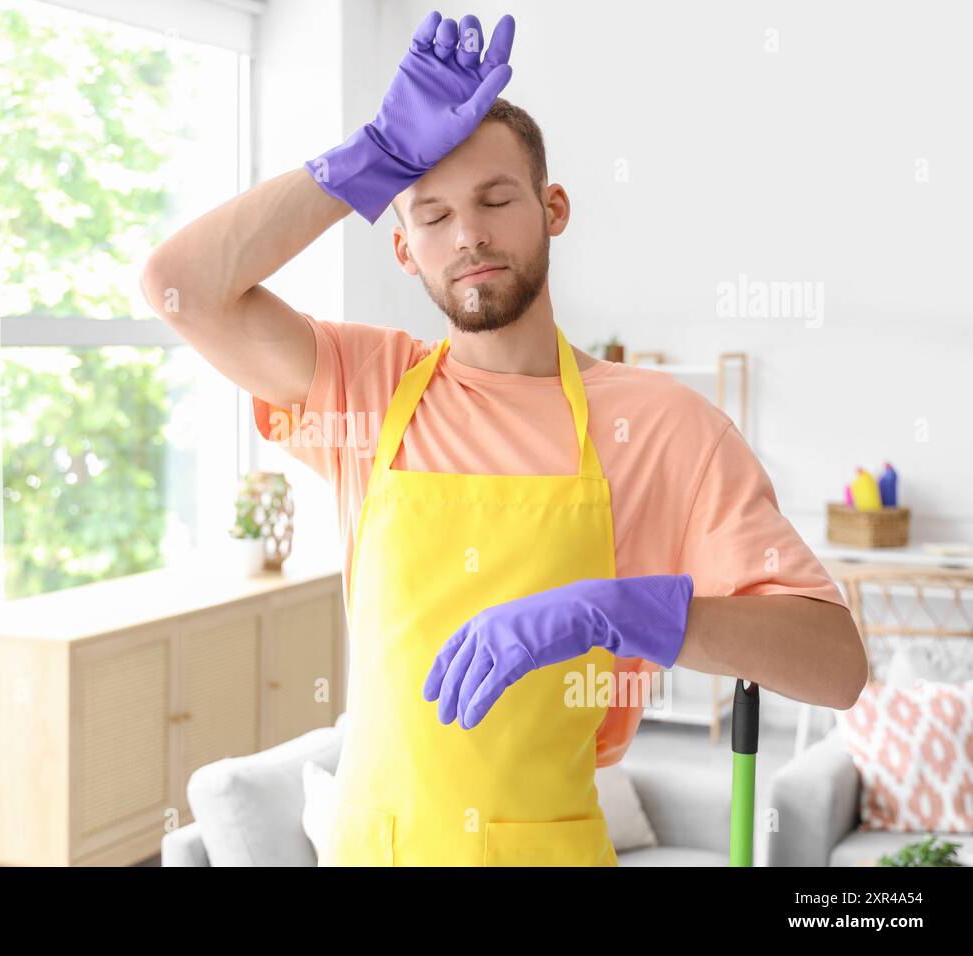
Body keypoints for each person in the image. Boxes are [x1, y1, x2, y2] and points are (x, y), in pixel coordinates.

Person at [140, 10, 866, 867]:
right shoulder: (365, 389)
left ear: (552, 208)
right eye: (434, 215)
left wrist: (620, 610)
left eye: (495, 199)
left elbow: (835, 667)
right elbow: (179, 285)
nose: (470, 235)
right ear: (403, 250)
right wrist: (373, 155)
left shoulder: (664, 426)